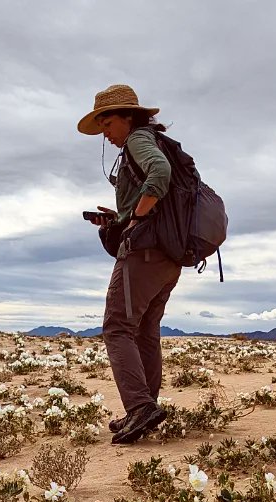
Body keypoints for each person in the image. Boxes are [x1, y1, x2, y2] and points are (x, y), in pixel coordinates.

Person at [79, 84, 181, 445]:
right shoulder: (152, 140)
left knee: (117, 326)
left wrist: (135, 220)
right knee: (145, 329)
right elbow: (156, 186)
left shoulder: (139, 140)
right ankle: (144, 408)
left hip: (144, 252)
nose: (105, 135)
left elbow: (160, 174)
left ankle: (140, 406)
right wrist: (120, 217)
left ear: (127, 117)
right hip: (169, 255)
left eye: (107, 124)